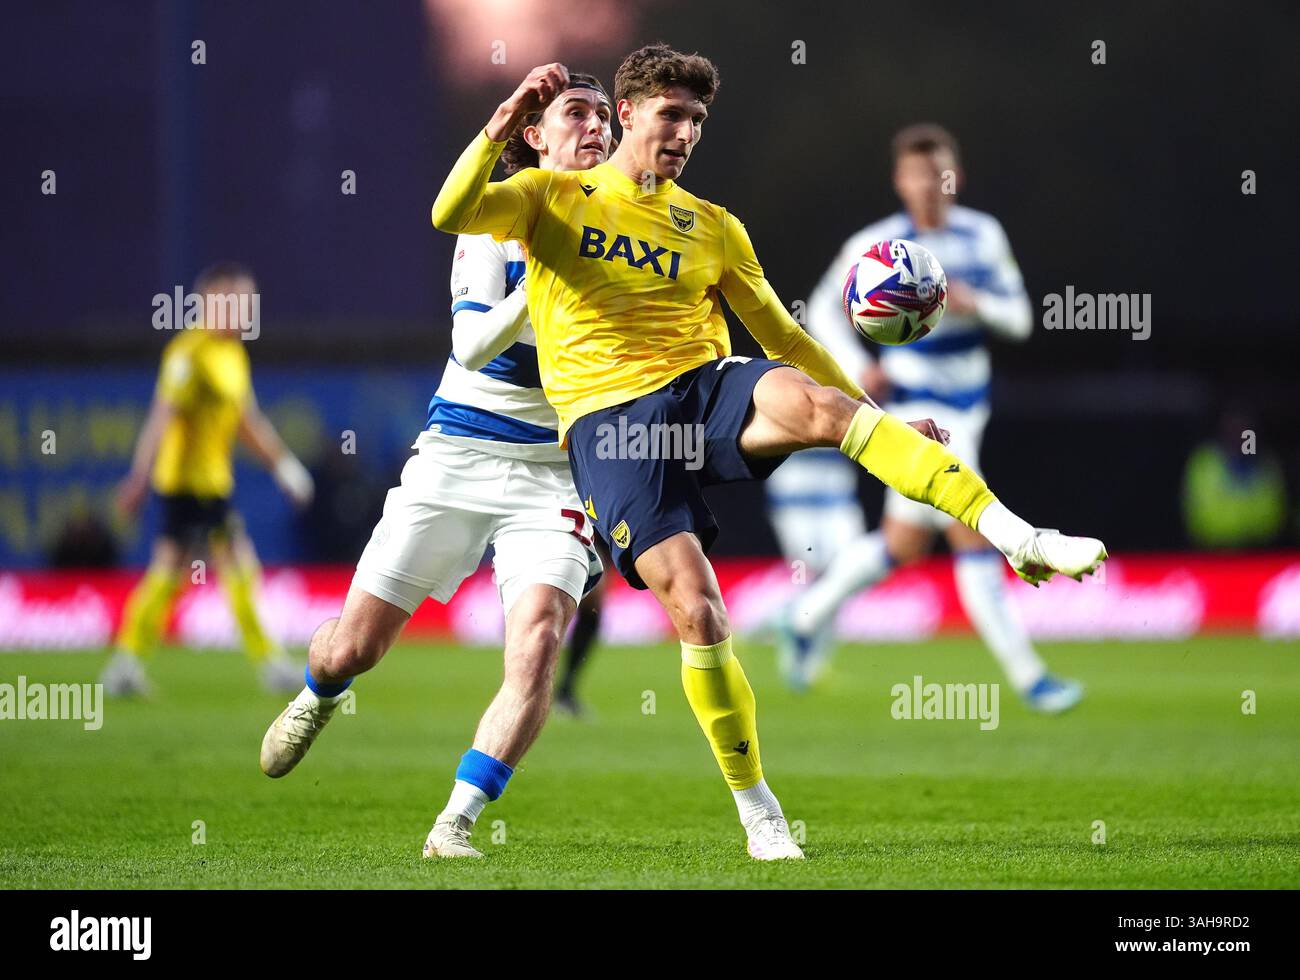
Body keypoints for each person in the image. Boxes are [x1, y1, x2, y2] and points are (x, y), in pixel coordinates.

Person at [428, 45, 1106, 860]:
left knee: (813, 402)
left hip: (701, 386)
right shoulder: (550, 195)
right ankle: (759, 810)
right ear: (629, 112)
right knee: (699, 608)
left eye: (697, 120)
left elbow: (784, 334)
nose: (684, 132)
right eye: (671, 115)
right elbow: (451, 213)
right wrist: (503, 119)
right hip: (612, 428)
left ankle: (1021, 540)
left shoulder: (712, 226)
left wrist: (871, 411)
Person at [258, 72, 614, 860]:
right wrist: (547, 287)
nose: (595, 128)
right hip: (456, 454)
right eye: (576, 114)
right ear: (535, 134)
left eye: (603, 117)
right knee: (355, 647)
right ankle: (320, 691)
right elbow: (471, 346)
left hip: (553, 474)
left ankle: (455, 821)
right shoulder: (497, 223)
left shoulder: (631, 236)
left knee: (541, 638)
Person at [767, 124, 1083, 709]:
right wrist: (860, 365)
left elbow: (1020, 321)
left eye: (938, 172)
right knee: (973, 532)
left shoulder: (982, 237)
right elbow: (823, 310)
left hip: (971, 405)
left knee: (902, 544)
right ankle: (1030, 679)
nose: (928, 185)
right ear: (900, 181)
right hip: (914, 408)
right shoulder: (881, 245)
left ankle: (805, 617)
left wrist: (976, 302)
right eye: (915, 174)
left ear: (954, 176)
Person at [101, 262, 314, 696]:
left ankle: (127, 664)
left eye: (248, 300)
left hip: (215, 485)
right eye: (235, 300)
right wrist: (139, 477)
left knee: (223, 569)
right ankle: (128, 663)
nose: (244, 310)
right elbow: (162, 416)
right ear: (209, 301)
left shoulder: (233, 354)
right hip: (181, 485)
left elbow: (246, 422)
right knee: (181, 572)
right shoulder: (188, 352)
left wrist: (284, 466)